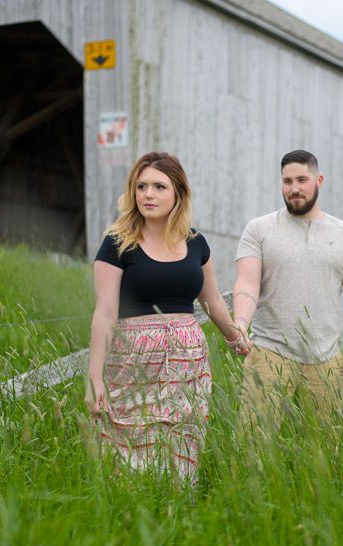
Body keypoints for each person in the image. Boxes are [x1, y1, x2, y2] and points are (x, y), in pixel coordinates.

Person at [85, 151, 248, 481]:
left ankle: (178, 515)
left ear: (178, 193)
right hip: (134, 365)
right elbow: (104, 313)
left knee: (183, 447)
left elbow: (213, 301)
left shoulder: (196, 242)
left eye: (159, 187)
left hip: (189, 366)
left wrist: (235, 335)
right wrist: (95, 378)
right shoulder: (117, 243)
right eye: (141, 186)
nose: (148, 194)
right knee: (132, 450)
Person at [232, 149, 343, 429]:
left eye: (302, 180)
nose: (294, 189)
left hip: (325, 358)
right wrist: (240, 323)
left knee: (325, 449)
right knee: (253, 444)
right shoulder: (259, 229)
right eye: (287, 182)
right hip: (268, 352)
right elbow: (247, 283)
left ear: (319, 179)